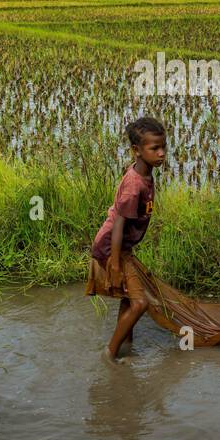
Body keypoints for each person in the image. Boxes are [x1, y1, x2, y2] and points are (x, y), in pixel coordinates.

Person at [86, 117, 166, 360]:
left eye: (164, 147)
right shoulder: (134, 185)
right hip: (112, 247)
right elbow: (119, 224)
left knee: (128, 299)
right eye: (155, 148)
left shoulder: (144, 173)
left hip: (120, 247)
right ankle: (109, 354)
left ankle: (126, 345)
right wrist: (116, 263)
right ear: (137, 151)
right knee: (140, 302)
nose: (161, 153)